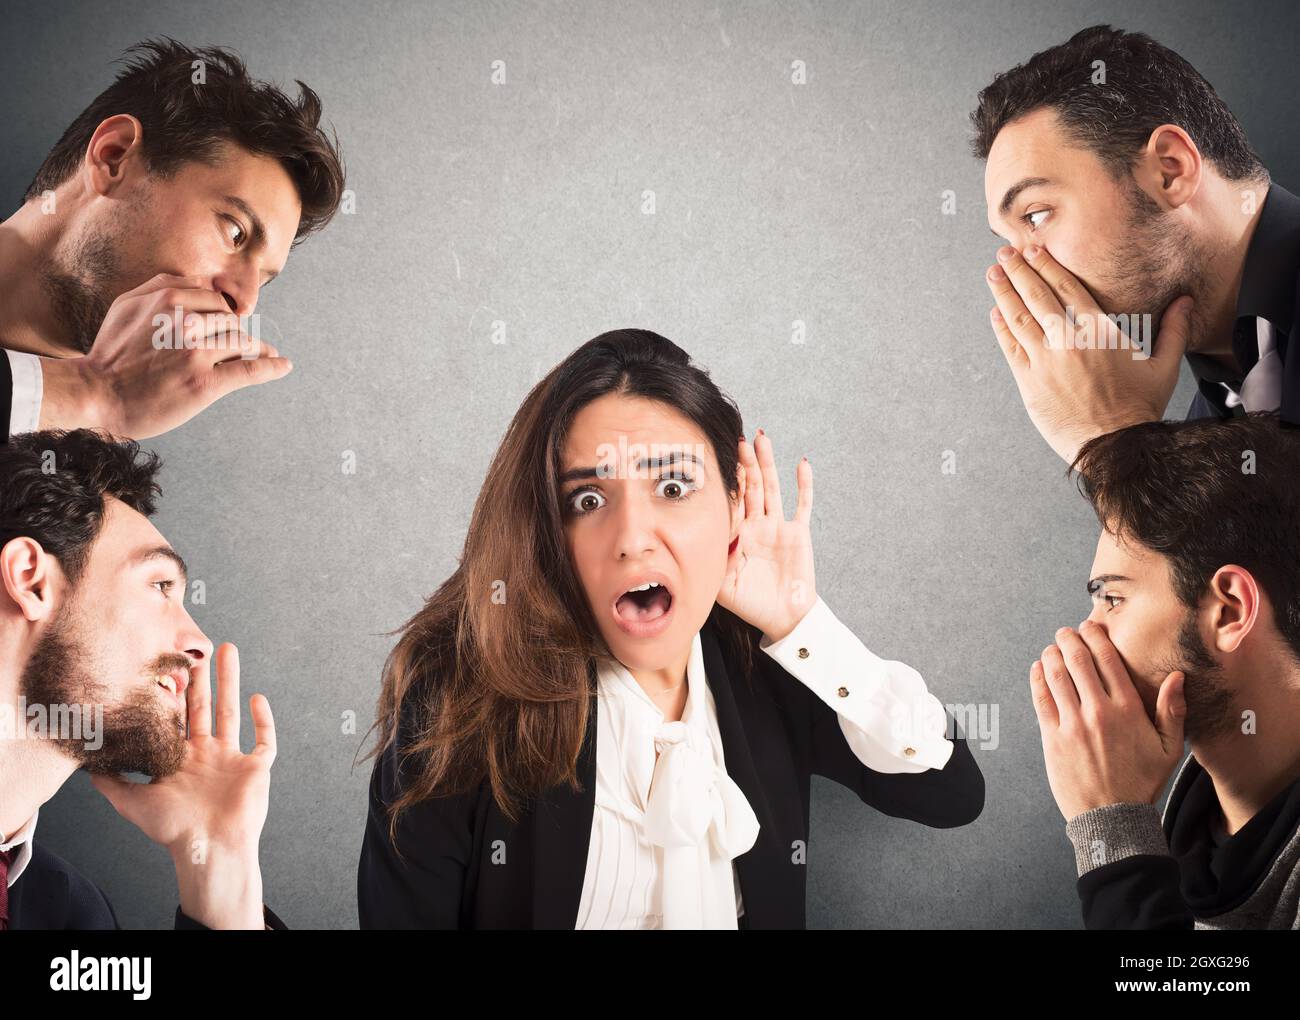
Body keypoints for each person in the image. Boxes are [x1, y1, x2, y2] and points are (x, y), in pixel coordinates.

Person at [357, 328, 984, 929]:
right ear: (548, 532)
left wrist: (801, 622)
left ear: (736, 505)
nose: (632, 539)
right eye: (588, 501)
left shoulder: (772, 669)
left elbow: (951, 794)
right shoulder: (460, 706)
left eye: (674, 486)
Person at [971, 24, 1299, 463]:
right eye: (1008, 241)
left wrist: (1111, 445)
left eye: (1035, 215)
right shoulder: (1211, 432)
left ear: (1170, 170)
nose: (1023, 271)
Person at [0, 429, 282, 929]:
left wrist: (219, 858)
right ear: (31, 579)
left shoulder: (72, 916)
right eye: (159, 585)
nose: (199, 642)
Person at [0, 37, 346, 444]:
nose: (245, 301)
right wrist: (96, 391)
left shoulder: (73, 494)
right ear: (114, 157)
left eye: (264, 281)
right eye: (235, 233)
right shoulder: (96, 402)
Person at [1031, 413, 1300, 929]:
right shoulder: (1190, 831)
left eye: (1113, 597)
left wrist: (1111, 829)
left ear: (1229, 611)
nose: (1083, 636)